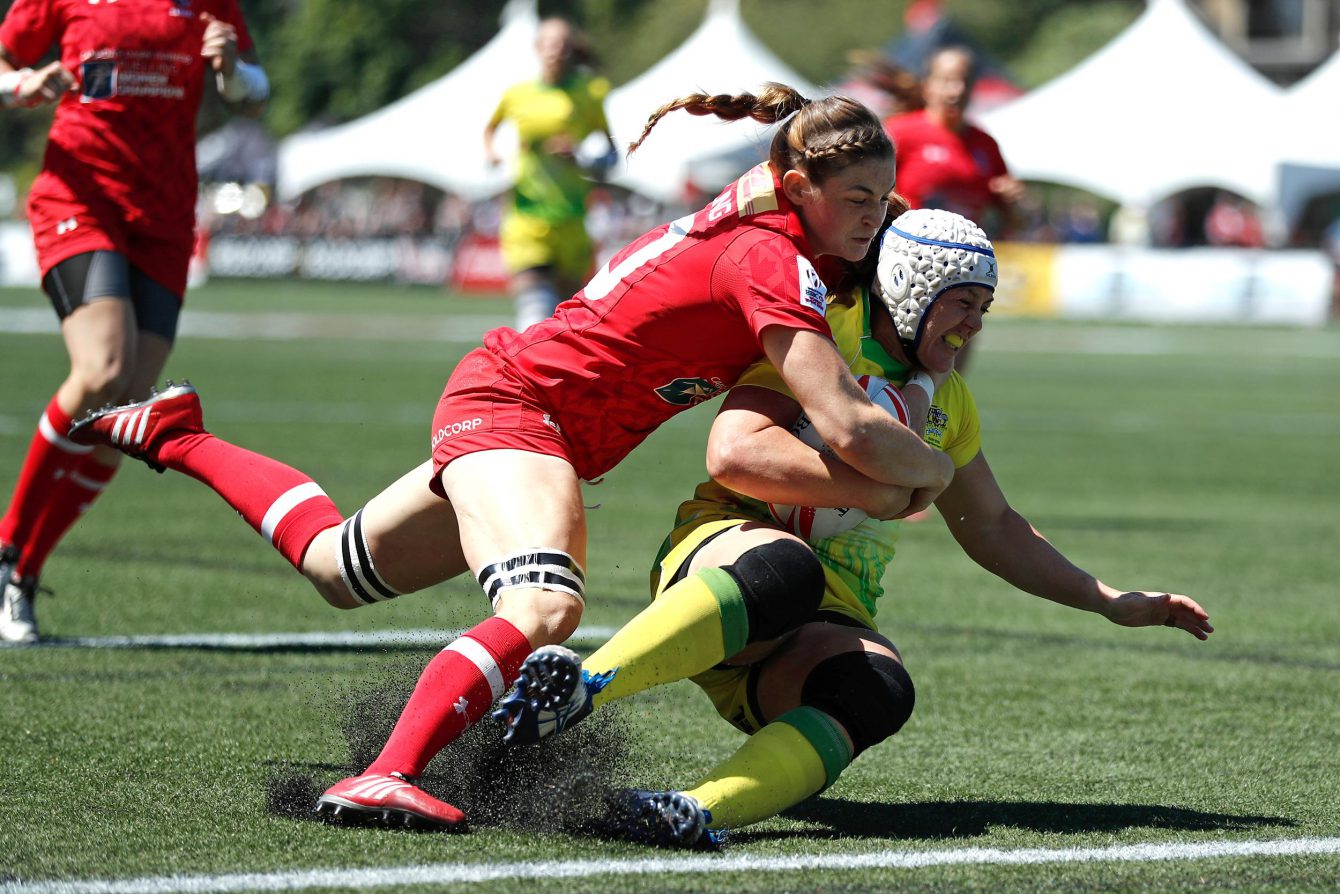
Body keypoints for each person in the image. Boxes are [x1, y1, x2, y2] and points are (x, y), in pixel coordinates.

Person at [71, 84, 954, 831]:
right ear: (796, 186)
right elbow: (845, 422)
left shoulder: (770, 233)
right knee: (543, 604)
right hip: (522, 413)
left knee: (337, 564)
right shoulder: (768, 258)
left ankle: (175, 433)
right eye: (858, 200)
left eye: (883, 199)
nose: (873, 218)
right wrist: (932, 474)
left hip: (523, 414)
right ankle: (386, 773)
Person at [495, 208, 1214, 849]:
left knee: (879, 687)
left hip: (801, 629)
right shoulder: (819, 339)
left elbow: (992, 525)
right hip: (724, 556)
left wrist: (1107, 599)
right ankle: (577, 690)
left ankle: (690, 812)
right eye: (963, 304)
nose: (975, 326)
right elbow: (737, 452)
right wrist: (877, 489)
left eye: (985, 308)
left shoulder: (950, 403)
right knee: (788, 571)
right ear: (911, 289)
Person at [0, 0, 268, 643]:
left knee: (128, 412)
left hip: (166, 214)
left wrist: (231, 67)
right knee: (103, 368)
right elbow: (5, 61)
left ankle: (22, 579)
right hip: (80, 197)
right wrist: (21, 85)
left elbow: (251, 94)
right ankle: (8, 549)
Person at [883, 45, 1023, 382]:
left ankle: (933, 429)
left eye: (963, 81)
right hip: (906, 275)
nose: (955, 90)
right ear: (927, 85)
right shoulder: (900, 133)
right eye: (946, 80)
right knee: (896, 371)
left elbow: (1013, 222)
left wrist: (1015, 203)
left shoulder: (984, 144)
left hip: (962, 280)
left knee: (945, 379)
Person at [483, 17, 617, 331]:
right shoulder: (518, 94)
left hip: (571, 218)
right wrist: (492, 154)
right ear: (537, 49)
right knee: (534, 310)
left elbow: (610, 152)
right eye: (548, 44)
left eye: (562, 44)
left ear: (572, 50)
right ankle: (526, 370)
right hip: (526, 216)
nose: (554, 51)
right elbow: (489, 130)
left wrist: (582, 156)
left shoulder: (589, 93)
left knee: (564, 319)